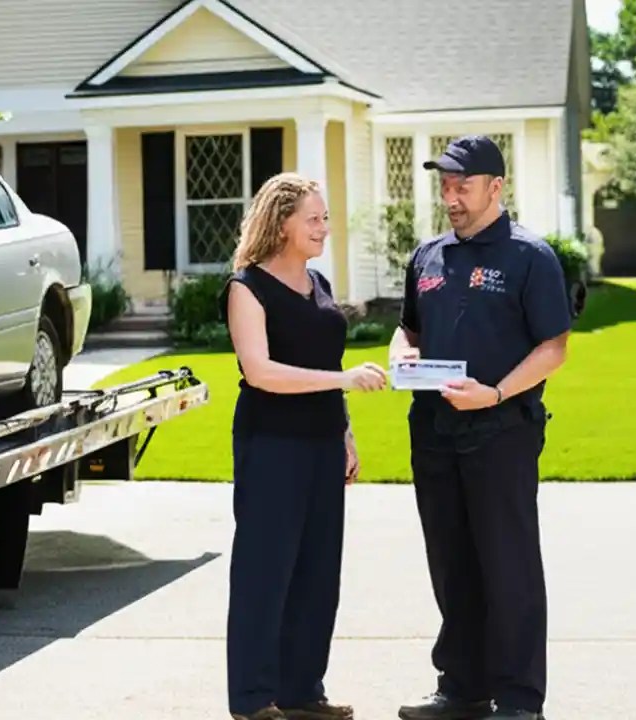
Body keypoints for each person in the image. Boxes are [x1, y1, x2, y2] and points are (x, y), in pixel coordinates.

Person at [390, 136, 572, 720]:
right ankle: (462, 689)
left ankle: (520, 699)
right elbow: (407, 332)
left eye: (462, 185)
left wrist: (493, 393)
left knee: (508, 564)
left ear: (496, 187)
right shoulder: (428, 256)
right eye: (444, 185)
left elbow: (554, 348)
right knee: (450, 561)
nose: (451, 197)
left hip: (502, 432)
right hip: (434, 435)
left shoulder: (530, 257)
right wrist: (402, 358)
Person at [219, 172, 388, 720]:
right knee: (265, 572)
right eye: (313, 218)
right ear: (281, 222)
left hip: (320, 444)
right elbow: (261, 372)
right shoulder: (247, 287)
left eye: (325, 217)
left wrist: (344, 432)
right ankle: (252, 698)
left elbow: (324, 364)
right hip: (271, 445)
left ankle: (301, 692)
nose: (324, 228)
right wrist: (342, 384)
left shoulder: (320, 285)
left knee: (318, 572)